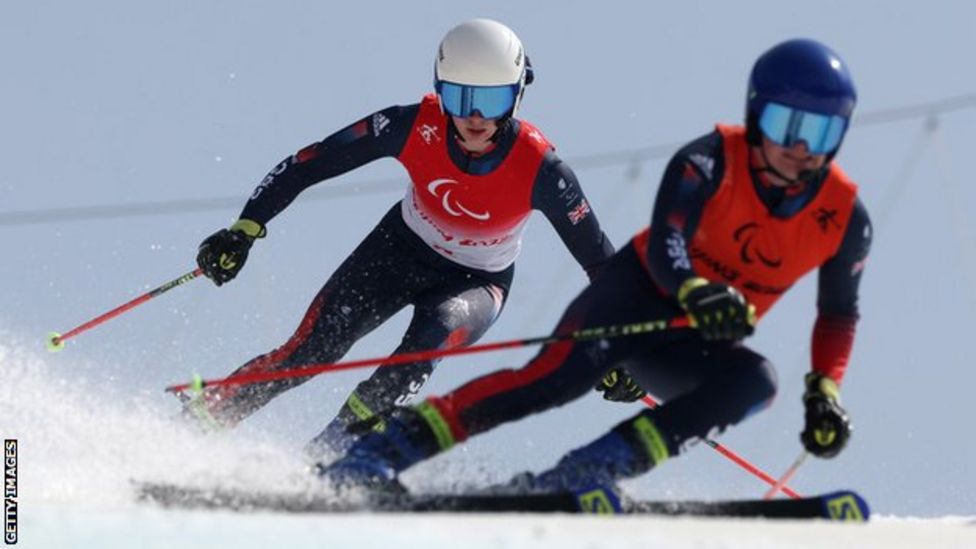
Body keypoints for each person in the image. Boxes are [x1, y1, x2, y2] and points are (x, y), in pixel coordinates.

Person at [319, 38, 873, 494]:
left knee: (756, 382)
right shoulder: (707, 161)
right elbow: (667, 243)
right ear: (756, 116)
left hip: (689, 341)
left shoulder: (845, 218)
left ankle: (588, 472)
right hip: (633, 300)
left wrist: (825, 391)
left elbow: (839, 314)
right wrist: (696, 290)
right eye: (784, 124)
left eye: (820, 133)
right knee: (551, 382)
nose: (799, 149)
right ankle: (383, 451)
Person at [188, 19, 615, 458]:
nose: (475, 117)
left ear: (517, 95)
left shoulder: (542, 169)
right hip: (397, 251)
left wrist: (622, 348)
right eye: (460, 97)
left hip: (477, 283)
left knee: (417, 355)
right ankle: (200, 420)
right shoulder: (410, 124)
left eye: (492, 100)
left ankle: (319, 464)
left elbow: (601, 262)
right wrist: (246, 227)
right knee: (311, 350)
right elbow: (310, 162)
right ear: (439, 90)